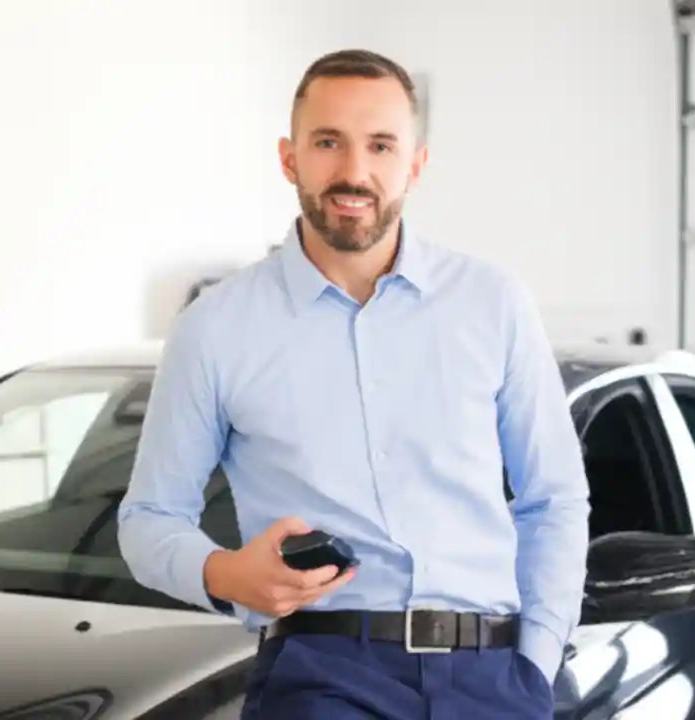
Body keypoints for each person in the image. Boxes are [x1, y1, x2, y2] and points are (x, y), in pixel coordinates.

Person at [119, 49, 590, 719]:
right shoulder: (214, 328)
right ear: (290, 158)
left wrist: (535, 665)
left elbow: (553, 498)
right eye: (328, 142)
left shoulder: (495, 304)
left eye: (380, 145)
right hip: (322, 675)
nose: (354, 171)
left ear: (415, 163)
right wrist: (227, 575)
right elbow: (148, 519)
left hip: (494, 679)